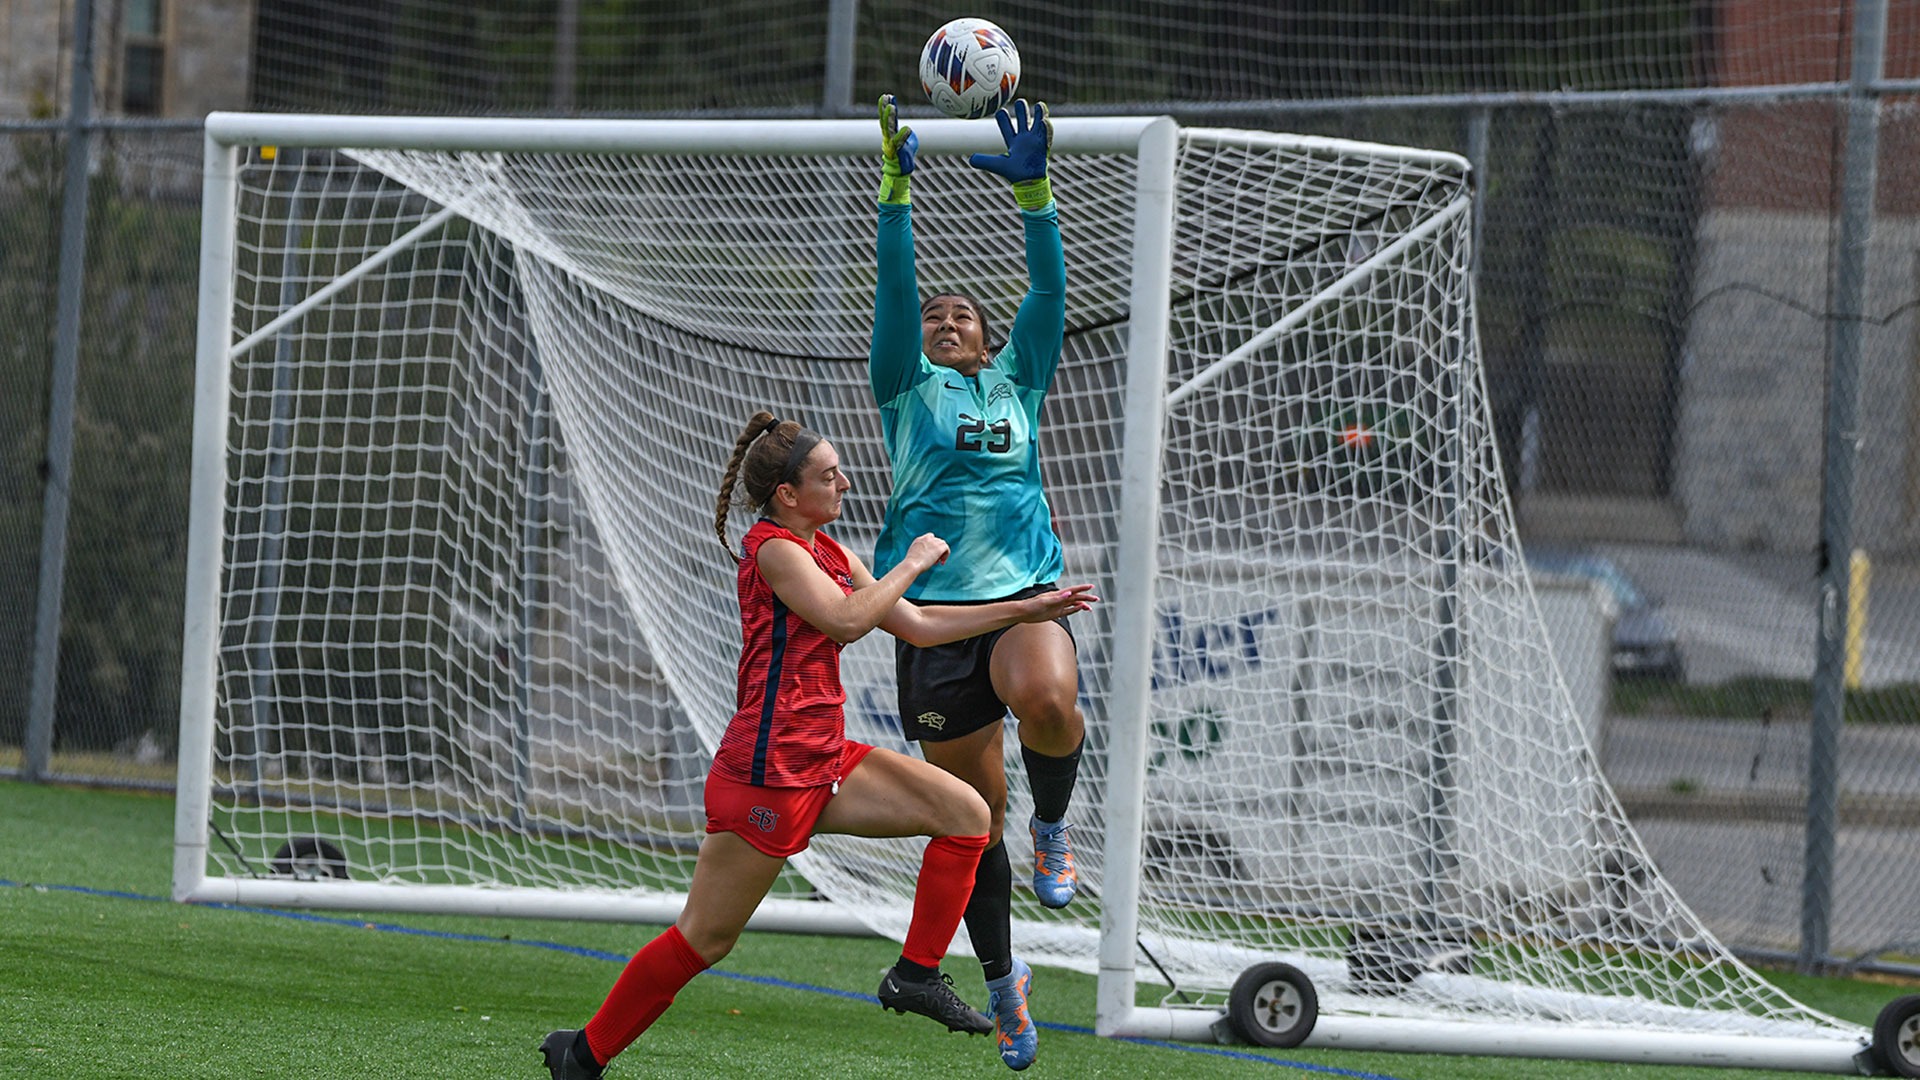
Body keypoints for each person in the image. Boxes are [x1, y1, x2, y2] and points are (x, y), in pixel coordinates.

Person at [539, 411, 1097, 1079]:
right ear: (787, 494)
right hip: (767, 775)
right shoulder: (773, 548)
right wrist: (914, 560)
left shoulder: (832, 551)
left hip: (824, 760)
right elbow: (847, 620)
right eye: (830, 476)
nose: (847, 484)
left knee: (968, 815)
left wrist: (1023, 609)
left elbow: (916, 624)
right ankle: (584, 1055)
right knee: (705, 940)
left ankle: (916, 974)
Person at [868, 93, 1082, 1072]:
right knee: (968, 824)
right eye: (936, 314)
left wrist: (1035, 196)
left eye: (965, 314)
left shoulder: (1017, 383)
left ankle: (1056, 825)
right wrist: (896, 193)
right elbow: (895, 288)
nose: (946, 316)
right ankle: (1003, 985)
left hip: (1025, 595)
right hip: (931, 622)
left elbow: (1046, 298)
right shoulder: (904, 389)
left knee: (1046, 695)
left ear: (991, 344)